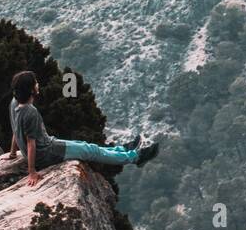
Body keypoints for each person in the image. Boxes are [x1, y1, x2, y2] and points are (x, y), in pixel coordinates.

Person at [8, 70, 158, 187]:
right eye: (36, 83)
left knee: (88, 147)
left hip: (47, 146)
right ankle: (135, 157)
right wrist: (32, 172)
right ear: (31, 89)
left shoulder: (14, 103)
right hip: (48, 152)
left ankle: (122, 150)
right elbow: (30, 143)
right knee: (90, 151)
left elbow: (15, 129)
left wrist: (13, 152)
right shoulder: (30, 112)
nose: (38, 84)